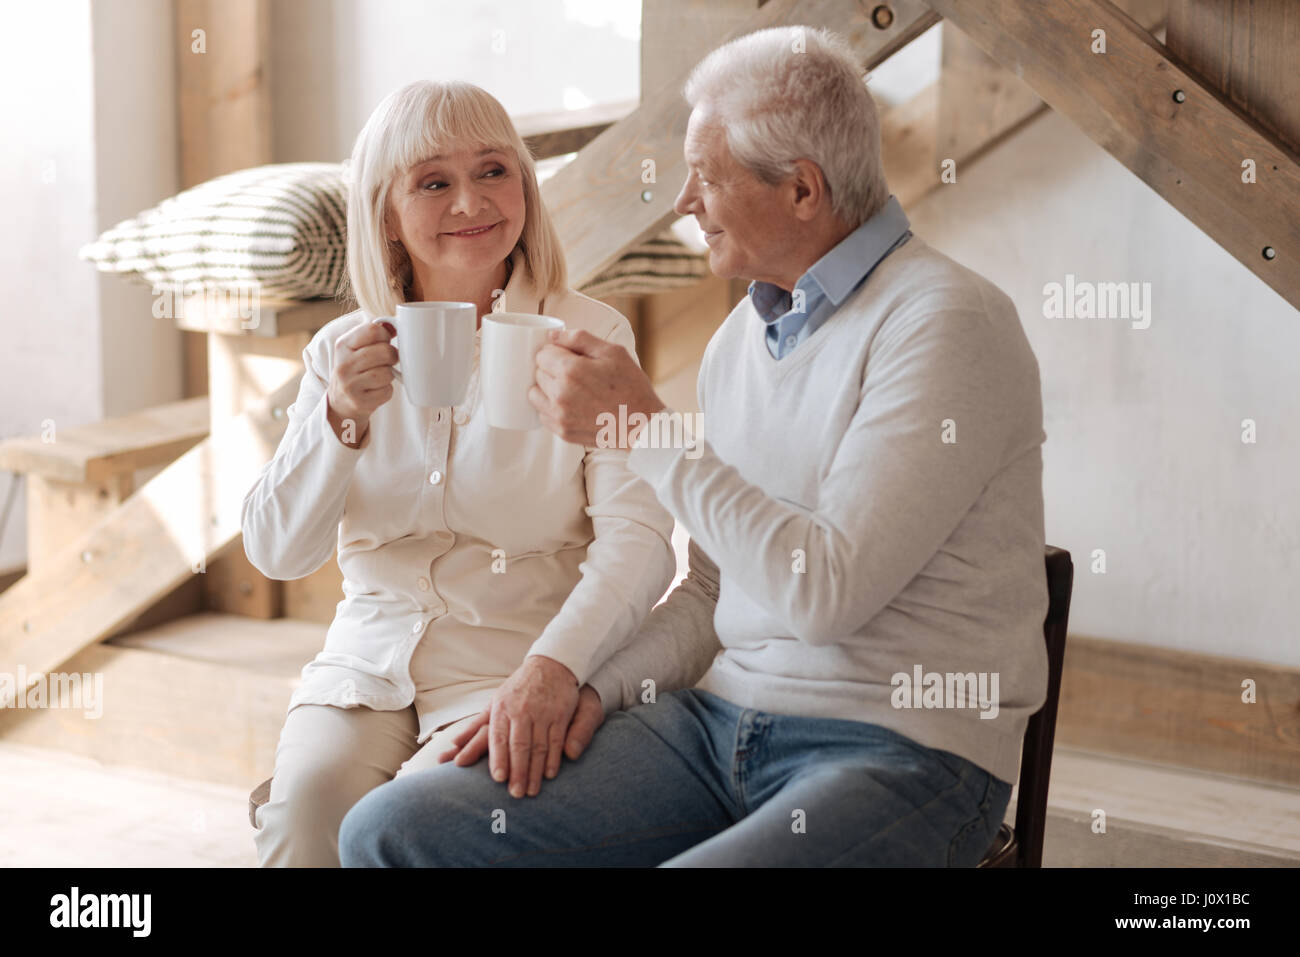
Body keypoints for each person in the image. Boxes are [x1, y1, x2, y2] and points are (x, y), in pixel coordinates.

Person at [338, 26, 1049, 867]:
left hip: (897, 750)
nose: (683, 201)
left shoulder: (944, 322)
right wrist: (583, 683)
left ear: (802, 190)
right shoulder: (741, 339)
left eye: (705, 176)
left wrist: (644, 429)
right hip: (716, 729)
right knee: (391, 828)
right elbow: (714, 586)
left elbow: (823, 593)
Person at [242, 79, 676, 867]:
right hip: (366, 665)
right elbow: (277, 552)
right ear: (387, 214)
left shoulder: (590, 337)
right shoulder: (342, 350)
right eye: (433, 181)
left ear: (524, 188)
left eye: (494, 171)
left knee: (411, 822)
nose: (471, 200)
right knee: (304, 814)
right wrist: (339, 419)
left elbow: (643, 541)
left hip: (511, 667)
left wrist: (555, 668)